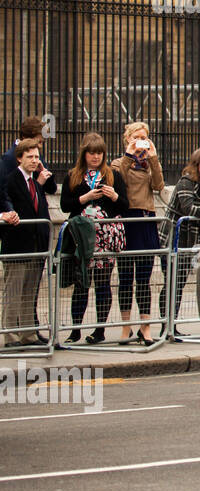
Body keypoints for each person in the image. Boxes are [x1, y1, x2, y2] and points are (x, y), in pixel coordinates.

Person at [61, 132, 127, 344]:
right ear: (84, 154)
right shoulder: (72, 175)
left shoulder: (113, 175)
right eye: (91, 153)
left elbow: (124, 205)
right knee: (81, 284)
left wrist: (114, 196)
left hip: (105, 237)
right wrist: (86, 197)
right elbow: (65, 205)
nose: (96, 157)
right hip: (81, 237)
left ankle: (100, 330)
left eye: (99, 153)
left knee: (102, 283)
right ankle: (75, 330)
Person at [112, 122, 164, 345]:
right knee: (125, 277)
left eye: (144, 137)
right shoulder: (118, 162)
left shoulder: (149, 164)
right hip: (127, 219)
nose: (140, 141)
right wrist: (129, 155)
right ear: (127, 139)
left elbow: (159, 185)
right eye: (136, 137)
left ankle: (146, 326)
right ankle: (126, 327)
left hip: (145, 219)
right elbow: (117, 181)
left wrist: (152, 157)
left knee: (144, 278)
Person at [158, 148, 200, 327]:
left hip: (194, 240)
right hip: (175, 238)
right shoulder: (186, 182)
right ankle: (166, 324)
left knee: (181, 282)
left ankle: (172, 324)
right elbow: (189, 209)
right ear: (196, 164)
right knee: (172, 282)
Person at [2, 139, 53, 346]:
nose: (34, 161)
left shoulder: (35, 182)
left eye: (37, 157)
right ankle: (11, 336)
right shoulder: (12, 179)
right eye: (30, 157)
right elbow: (5, 200)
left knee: (30, 294)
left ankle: (28, 334)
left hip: (36, 245)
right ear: (19, 158)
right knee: (13, 292)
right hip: (17, 244)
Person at [0, 115, 53, 223]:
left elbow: (52, 188)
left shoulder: (37, 155)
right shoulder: (9, 158)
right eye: (39, 142)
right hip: (21, 222)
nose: (40, 146)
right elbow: (7, 194)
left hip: (40, 219)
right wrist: (38, 184)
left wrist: (43, 174)